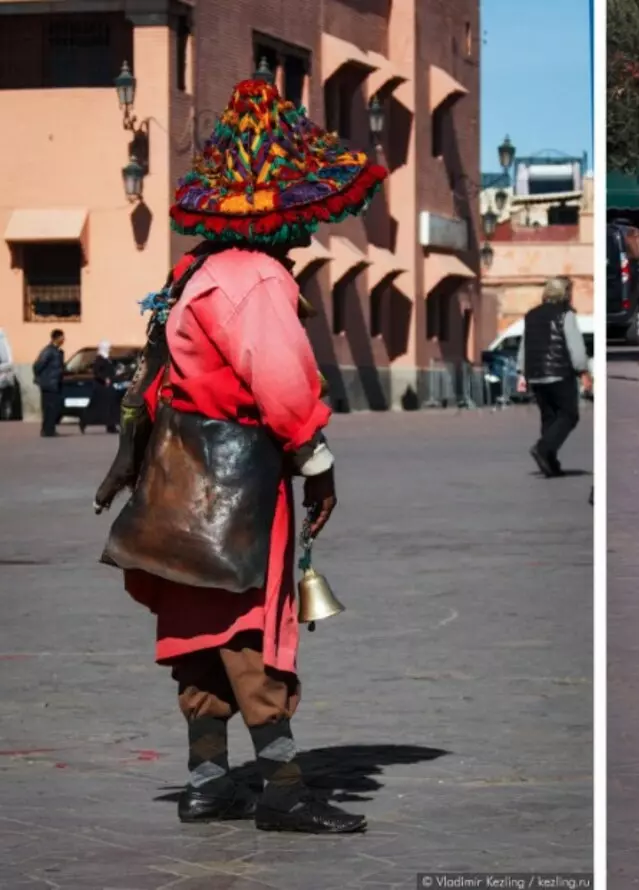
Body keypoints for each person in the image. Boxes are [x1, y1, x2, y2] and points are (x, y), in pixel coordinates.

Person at [92, 76, 387, 833]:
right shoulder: (255, 278)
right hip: (237, 484)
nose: (304, 231)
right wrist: (316, 460)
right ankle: (283, 786)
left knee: (194, 634)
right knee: (250, 630)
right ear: (278, 210)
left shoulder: (189, 272)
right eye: (299, 217)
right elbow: (285, 385)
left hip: (177, 484)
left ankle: (208, 782)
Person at [517, 276, 592, 477]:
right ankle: (543, 449)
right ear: (565, 293)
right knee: (569, 415)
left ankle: (549, 462)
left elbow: (525, 345)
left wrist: (522, 373)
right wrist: (583, 371)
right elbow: (575, 346)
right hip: (560, 374)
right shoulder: (565, 315)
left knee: (549, 418)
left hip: (536, 375)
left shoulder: (531, 315)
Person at [81, 340, 119, 434]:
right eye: (109, 347)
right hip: (101, 387)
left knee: (111, 406)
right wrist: (104, 378)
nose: (110, 349)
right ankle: (84, 422)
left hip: (109, 386)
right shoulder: (99, 359)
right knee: (96, 407)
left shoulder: (107, 358)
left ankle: (111, 426)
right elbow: (97, 372)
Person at [32, 329, 65, 438]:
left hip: (55, 383)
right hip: (49, 384)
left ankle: (49, 429)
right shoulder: (48, 351)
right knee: (49, 408)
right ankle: (48, 430)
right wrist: (41, 379)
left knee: (54, 408)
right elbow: (38, 365)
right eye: (62, 337)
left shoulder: (57, 351)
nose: (64, 339)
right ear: (57, 338)